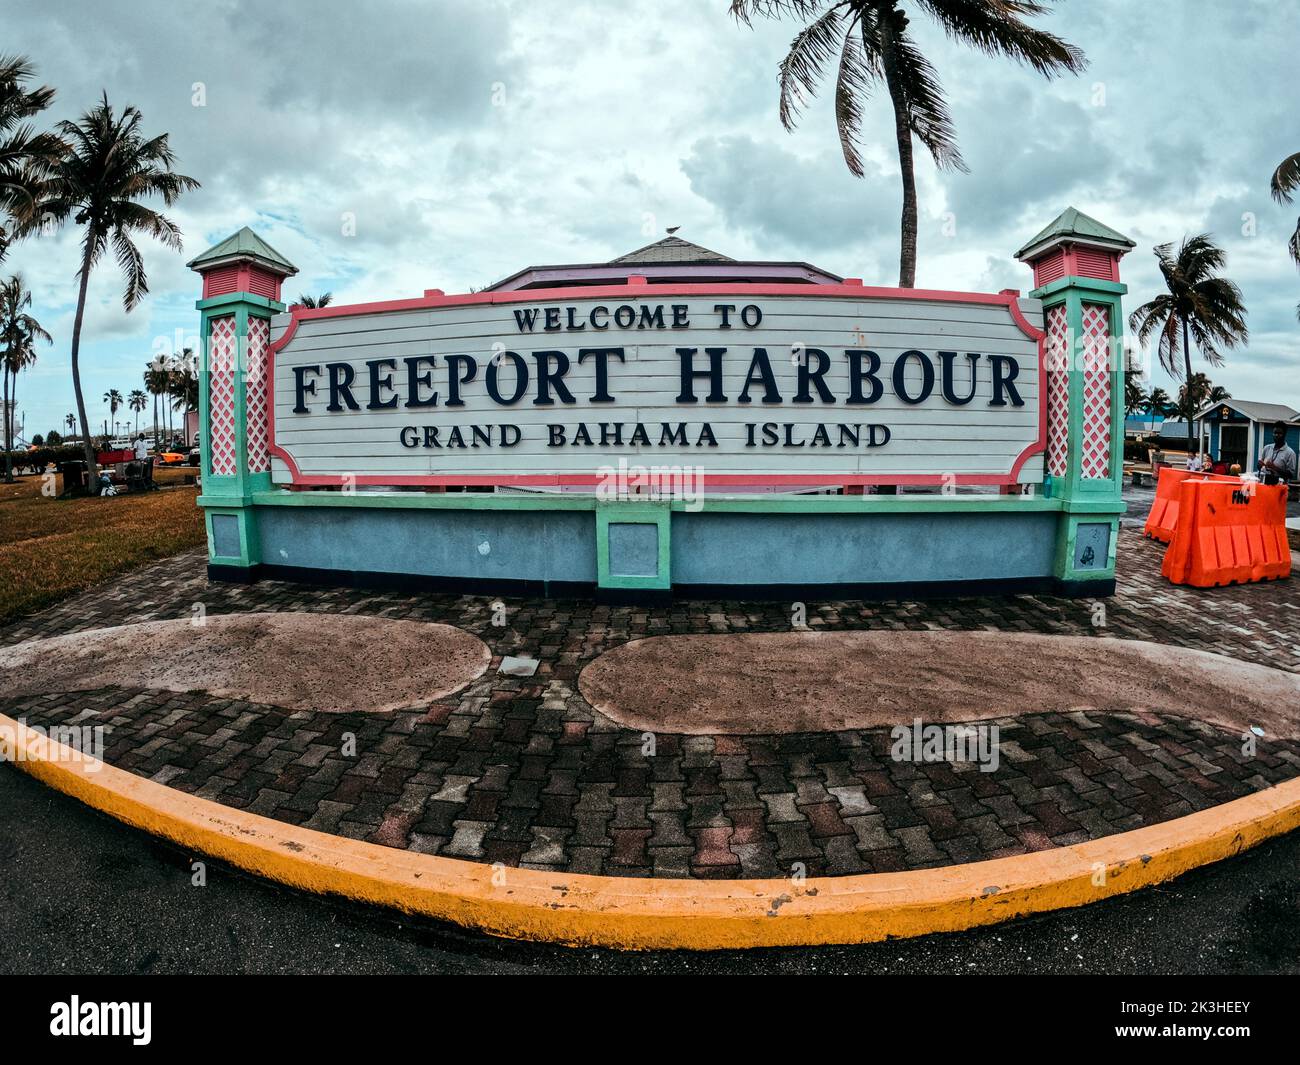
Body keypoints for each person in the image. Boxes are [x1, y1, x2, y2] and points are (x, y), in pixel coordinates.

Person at [1258, 421, 1297, 485]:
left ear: (1284, 434)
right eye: (1275, 433)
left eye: (1279, 433)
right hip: (1264, 484)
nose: (1276, 435)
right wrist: (1259, 465)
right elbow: (1260, 467)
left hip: (1279, 487)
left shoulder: (1290, 453)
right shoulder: (1267, 448)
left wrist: (1274, 467)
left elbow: (1290, 475)